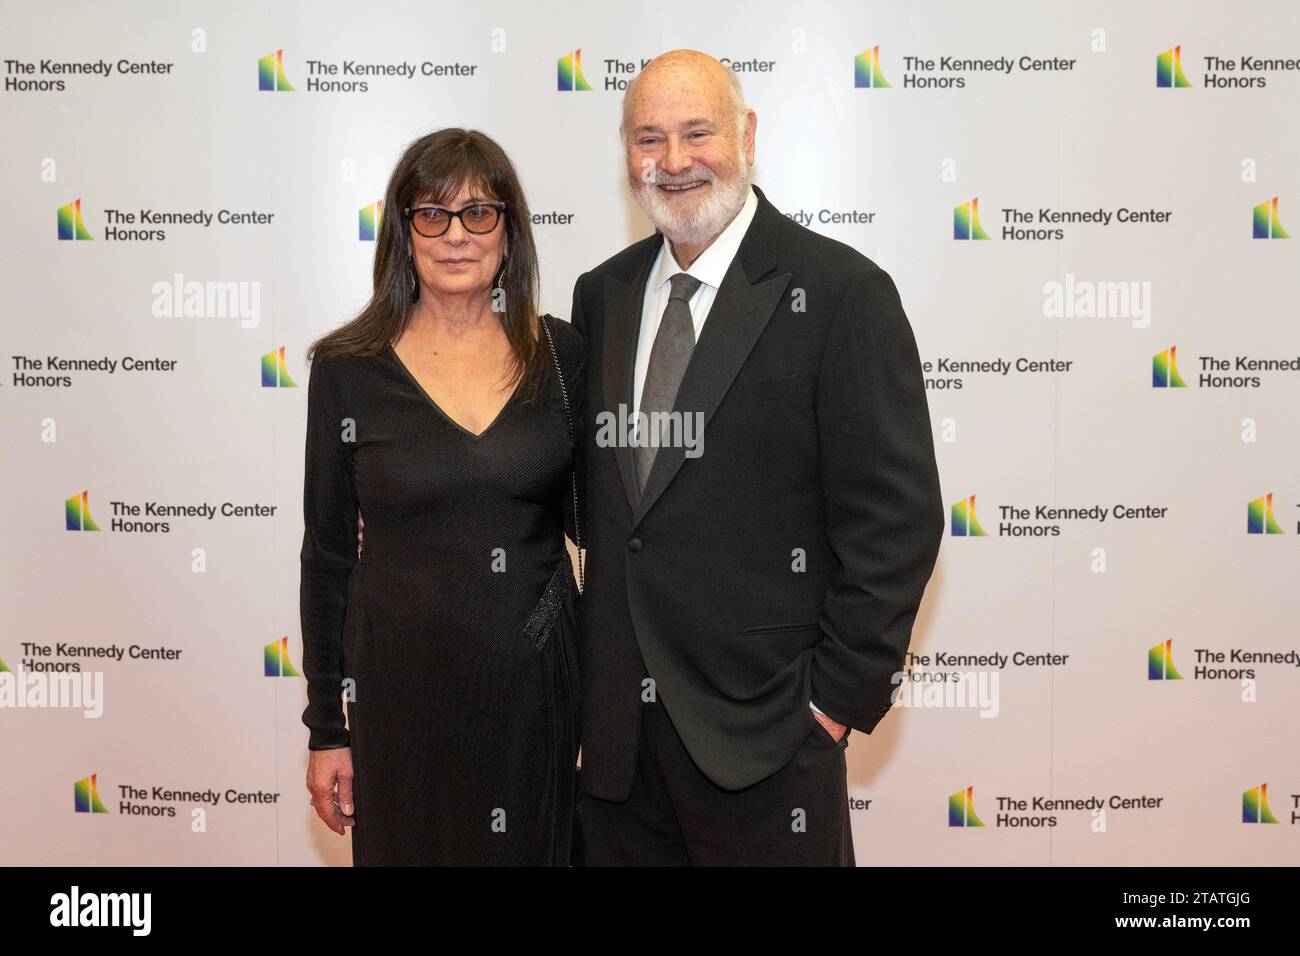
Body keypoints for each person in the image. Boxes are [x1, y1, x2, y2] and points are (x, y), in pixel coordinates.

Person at [570, 50, 943, 865]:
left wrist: (830, 707)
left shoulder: (841, 293)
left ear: (745, 135)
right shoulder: (602, 295)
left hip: (768, 745)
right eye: (648, 138)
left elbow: (897, 521)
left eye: (696, 133)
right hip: (619, 758)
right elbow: (603, 507)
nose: (672, 161)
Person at [299, 128, 584, 865]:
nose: (456, 235)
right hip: (399, 702)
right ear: (403, 231)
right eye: (433, 214)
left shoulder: (563, 353)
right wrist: (328, 727)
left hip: (534, 696)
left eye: (479, 213)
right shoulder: (346, 369)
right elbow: (328, 558)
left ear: (510, 231)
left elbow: (608, 529)